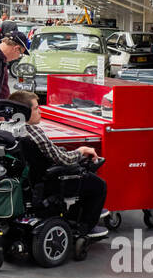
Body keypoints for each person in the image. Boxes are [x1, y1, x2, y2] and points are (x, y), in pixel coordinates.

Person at [6, 90, 108, 240]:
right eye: (36, 109)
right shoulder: (34, 132)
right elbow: (64, 159)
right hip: (47, 182)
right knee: (98, 184)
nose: (40, 112)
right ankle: (86, 227)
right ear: (24, 112)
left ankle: (74, 217)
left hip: (24, 182)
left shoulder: (7, 128)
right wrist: (82, 150)